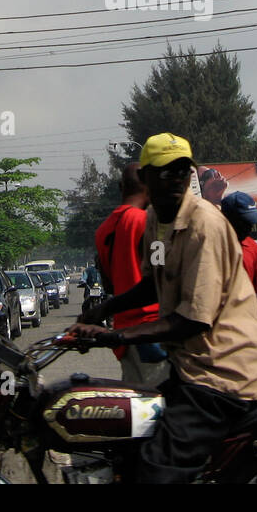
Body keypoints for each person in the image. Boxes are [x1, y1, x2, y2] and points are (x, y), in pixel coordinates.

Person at [70, 132, 257, 484]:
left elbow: (192, 320)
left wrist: (112, 335)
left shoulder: (202, 225)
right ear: (145, 178)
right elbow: (152, 282)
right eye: (166, 172)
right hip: (190, 365)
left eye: (183, 172)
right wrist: (102, 309)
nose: (177, 180)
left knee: (156, 472)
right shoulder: (156, 221)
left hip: (222, 372)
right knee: (129, 438)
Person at [90, 162, 168, 387]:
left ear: (120, 187)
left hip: (123, 333)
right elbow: (160, 274)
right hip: (152, 328)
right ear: (149, 186)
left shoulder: (103, 230)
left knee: (138, 406)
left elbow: (110, 285)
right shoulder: (148, 221)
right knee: (161, 404)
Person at [219, 191, 257, 291]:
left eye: (251, 222)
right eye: (245, 222)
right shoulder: (210, 245)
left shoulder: (251, 246)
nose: (250, 227)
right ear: (227, 219)